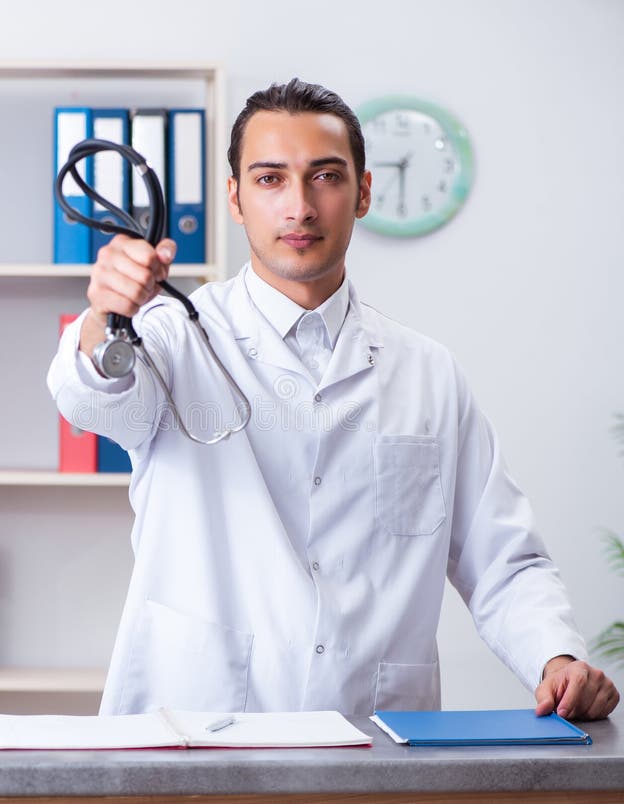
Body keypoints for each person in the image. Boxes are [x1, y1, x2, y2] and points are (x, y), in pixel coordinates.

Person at [47, 78, 619, 720]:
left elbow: (501, 559)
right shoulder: (172, 337)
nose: (300, 207)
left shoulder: (427, 373)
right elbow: (91, 402)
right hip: (194, 726)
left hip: (370, 730)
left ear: (363, 191)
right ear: (235, 198)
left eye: (324, 176)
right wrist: (106, 315)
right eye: (269, 180)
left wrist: (557, 658)